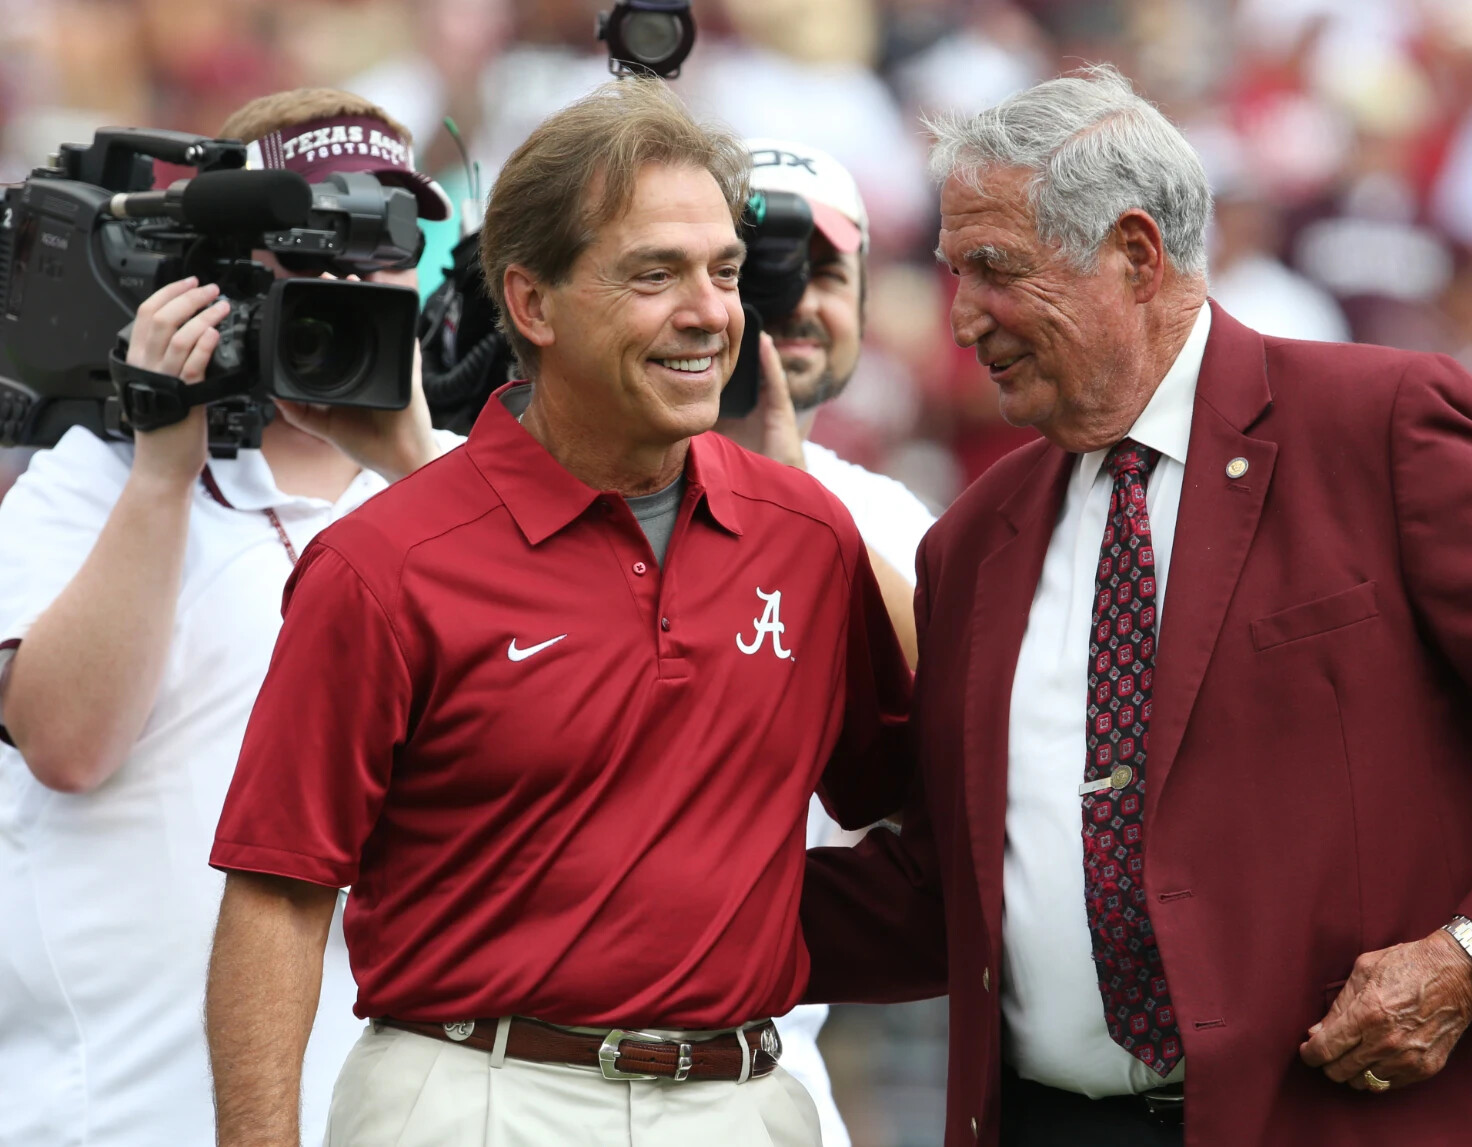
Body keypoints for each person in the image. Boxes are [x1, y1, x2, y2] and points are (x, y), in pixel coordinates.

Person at [800, 65, 1472, 1146]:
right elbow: (954, 886)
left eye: (994, 270)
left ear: (1135, 254)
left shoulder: (1381, 428)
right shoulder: (969, 543)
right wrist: (636, 895)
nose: (961, 320)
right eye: (952, 274)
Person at [203, 77, 910, 1147]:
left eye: (722, 273)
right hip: (470, 1095)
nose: (709, 312)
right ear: (531, 304)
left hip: (745, 1096)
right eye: (653, 275)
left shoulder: (808, 533)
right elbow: (276, 902)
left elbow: (908, 797)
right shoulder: (381, 562)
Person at [0, 89, 457, 1147]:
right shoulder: (89, 482)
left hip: (399, 1109)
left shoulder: (463, 488)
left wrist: (418, 468)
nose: (351, 279)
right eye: (313, 244)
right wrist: (165, 461)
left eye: (383, 241)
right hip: (115, 1110)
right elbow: (67, 743)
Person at [715, 138, 937, 1147]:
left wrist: (792, 500)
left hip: (771, 1056)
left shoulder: (890, 517)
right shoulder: (594, 472)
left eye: (827, 271)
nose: (794, 301)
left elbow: (949, 742)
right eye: (756, 271)